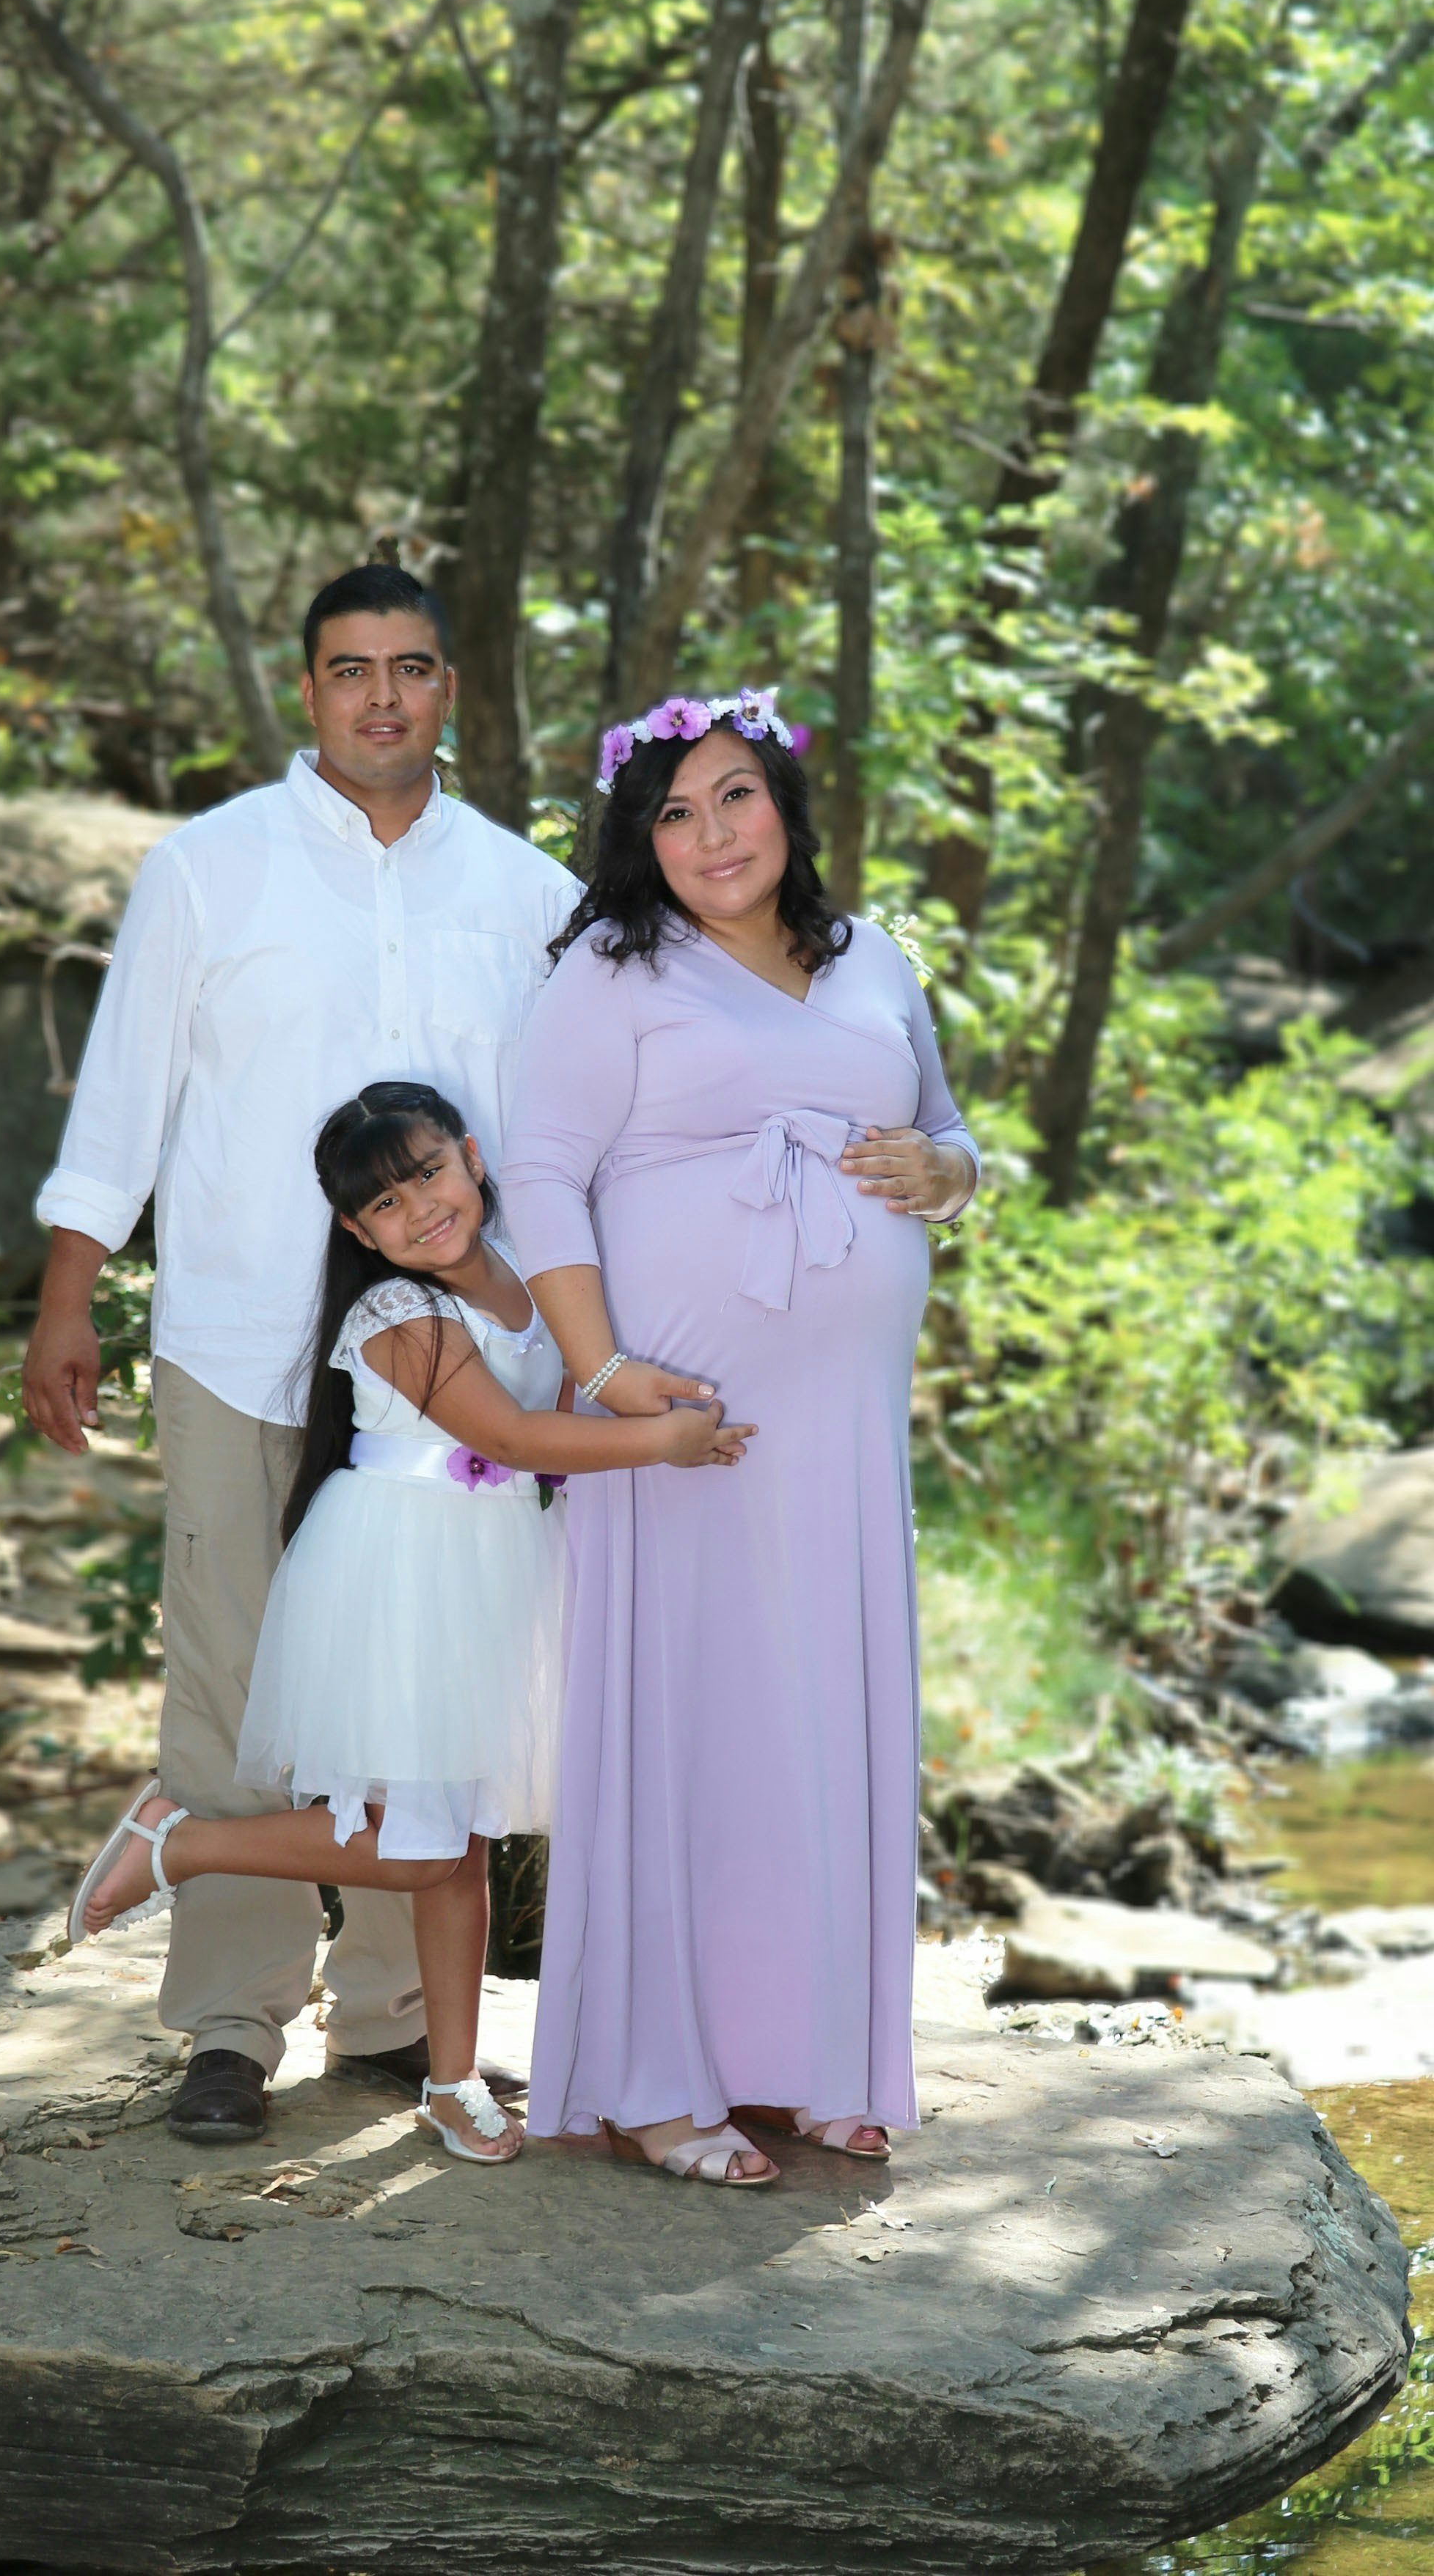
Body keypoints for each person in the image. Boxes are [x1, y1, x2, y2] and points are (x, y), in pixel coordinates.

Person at [21, 562, 622, 2144]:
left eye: (410, 668)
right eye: (348, 668)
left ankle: (398, 2024)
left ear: (448, 690)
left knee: (426, 1677)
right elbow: (126, 1096)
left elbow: (568, 1131)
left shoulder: (521, 891)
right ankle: (230, 2023)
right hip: (238, 1328)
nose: (380, 696)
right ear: (307, 690)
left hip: (448, 1370)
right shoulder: (208, 869)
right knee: (233, 1675)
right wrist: (71, 1289)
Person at [68, 1079, 750, 2164]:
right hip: (403, 1573)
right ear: (355, 1231)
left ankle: (449, 2078)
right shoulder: (396, 1314)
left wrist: (644, 1401)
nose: (419, 1209)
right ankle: (185, 1841)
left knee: (463, 1836)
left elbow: (582, 1384)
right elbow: (516, 1436)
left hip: (495, 1572)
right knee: (425, 1846)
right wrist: (660, 1444)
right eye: (383, 1205)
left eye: (429, 1172)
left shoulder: (531, 1269)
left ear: (473, 1158)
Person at [500, 689, 978, 2186]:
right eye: (676, 811)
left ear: (787, 804)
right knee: (688, 1716)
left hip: (844, 1425)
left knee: (816, 1711)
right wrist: (603, 1369)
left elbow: (960, 1146)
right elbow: (542, 1173)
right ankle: (657, 2078)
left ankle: (816, 2055)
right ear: (644, 841)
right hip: (680, 1409)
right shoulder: (611, 967)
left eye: (736, 797)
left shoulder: (873, 955)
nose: (712, 833)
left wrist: (944, 1172)